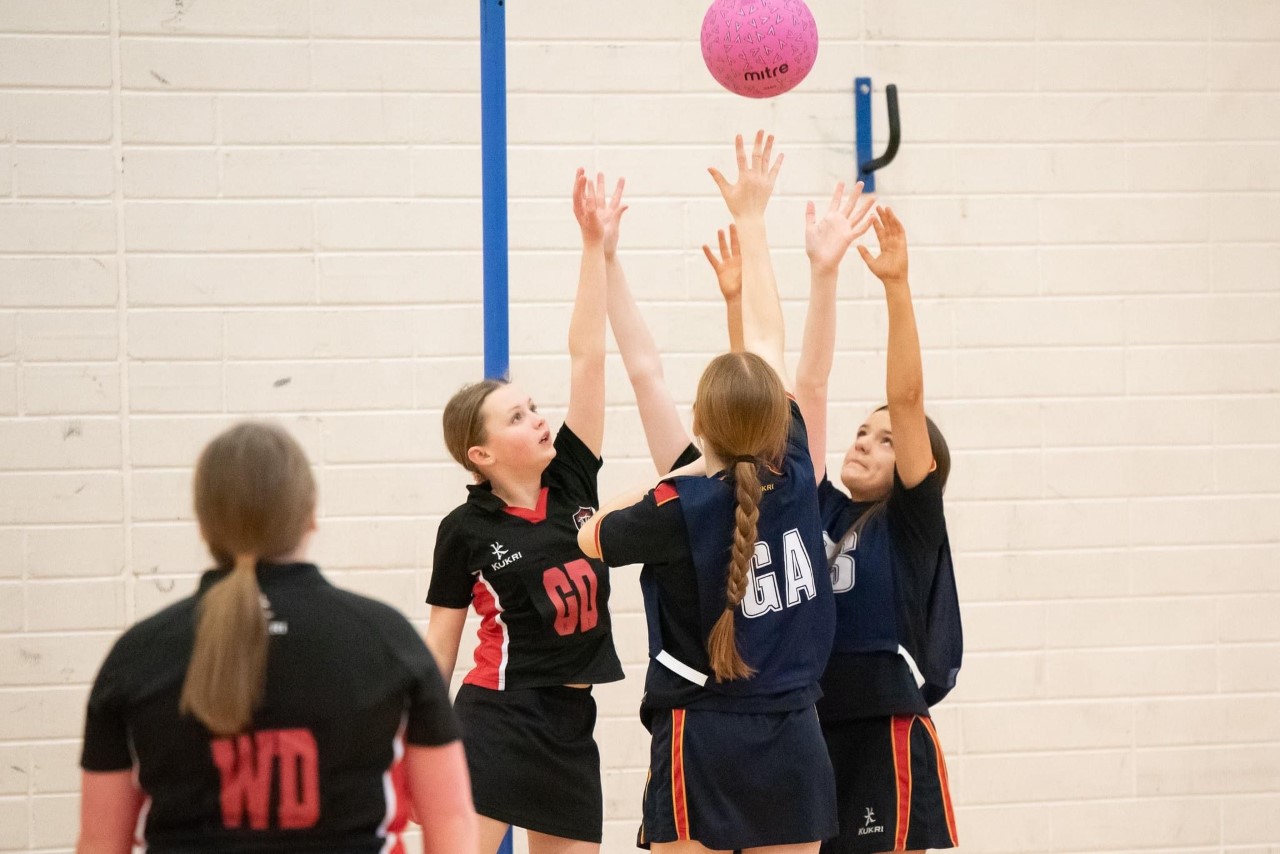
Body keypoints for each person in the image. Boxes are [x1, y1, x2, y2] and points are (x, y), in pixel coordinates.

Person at [579, 132, 837, 854]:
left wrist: (604, 258)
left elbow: (589, 534)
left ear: (699, 422)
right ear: (774, 417)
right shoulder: (792, 466)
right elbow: (767, 338)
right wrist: (753, 219)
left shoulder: (674, 506)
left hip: (703, 734)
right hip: (795, 734)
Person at [77, 422, 476, 854]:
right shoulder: (387, 640)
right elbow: (451, 821)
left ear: (204, 525)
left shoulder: (138, 655)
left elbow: (100, 842)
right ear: (310, 516)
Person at [425, 170, 623, 854]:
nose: (539, 419)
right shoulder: (465, 531)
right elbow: (442, 646)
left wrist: (592, 246)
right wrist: (420, 748)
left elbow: (588, 359)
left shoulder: (571, 479)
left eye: (533, 408)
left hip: (572, 725)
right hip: (497, 721)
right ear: (480, 455)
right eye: (517, 417)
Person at [793, 204, 962, 854]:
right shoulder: (820, 510)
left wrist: (896, 286)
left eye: (886, 439)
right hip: (812, 725)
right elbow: (806, 389)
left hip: (883, 727)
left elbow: (909, 399)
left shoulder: (909, 521)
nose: (864, 441)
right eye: (862, 430)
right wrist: (821, 274)